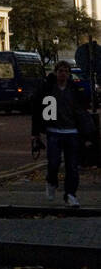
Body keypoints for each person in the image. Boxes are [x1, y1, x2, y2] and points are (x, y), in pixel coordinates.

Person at [30, 60, 91, 206]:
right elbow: (37, 110)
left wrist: (86, 133)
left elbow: (82, 110)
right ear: (56, 72)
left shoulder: (74, 90)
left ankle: (70, 195)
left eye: (65, 71)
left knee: (72, 166)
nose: (63, 74)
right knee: (54, 163)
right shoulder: (48, 89)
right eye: (60, 71)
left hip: (72, 132)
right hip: (54, 131)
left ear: (69, 74)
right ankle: (51, 182)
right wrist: (36, 133)